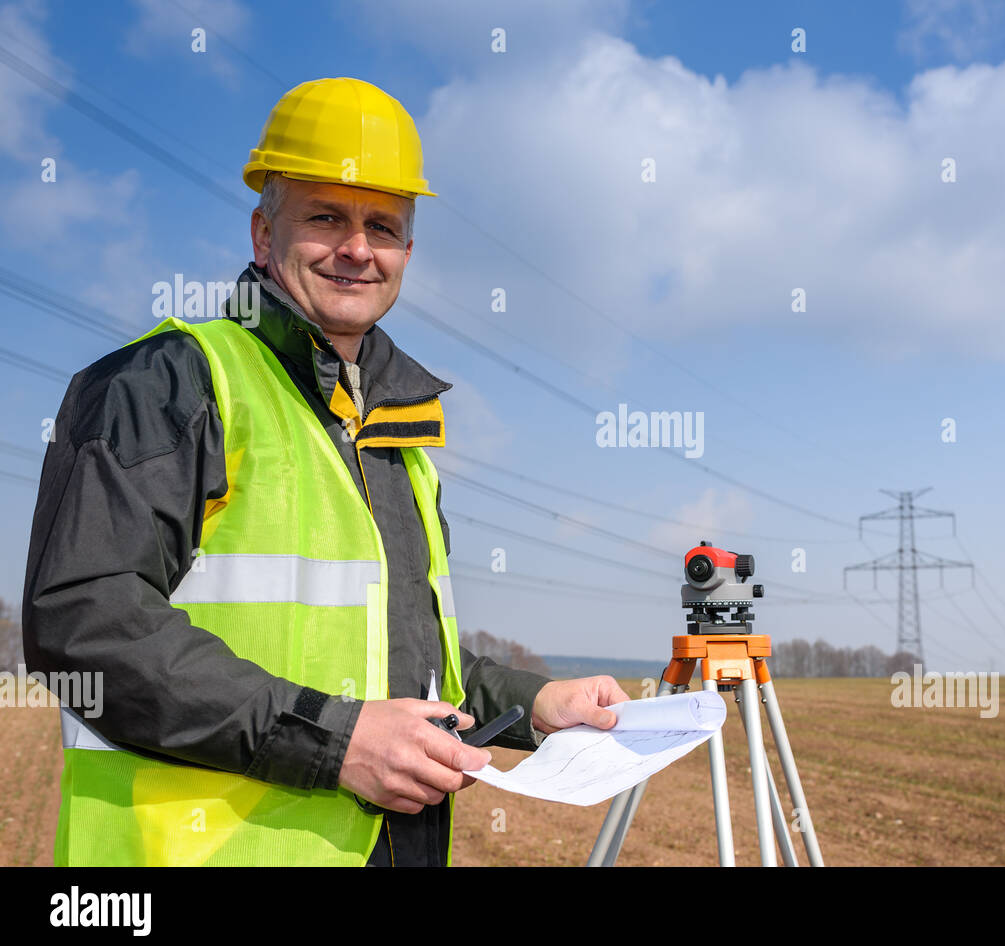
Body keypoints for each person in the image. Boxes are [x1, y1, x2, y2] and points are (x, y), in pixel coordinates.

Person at [22, 76, 630, 866]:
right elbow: (83, 627)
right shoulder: (167, 383)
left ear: (407, 252)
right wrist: (334, 741)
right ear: (262, 233)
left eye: (382, 226)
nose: (356, 248)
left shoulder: (398, 433)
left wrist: (533, 705)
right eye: (325, 217)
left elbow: (407, 660)